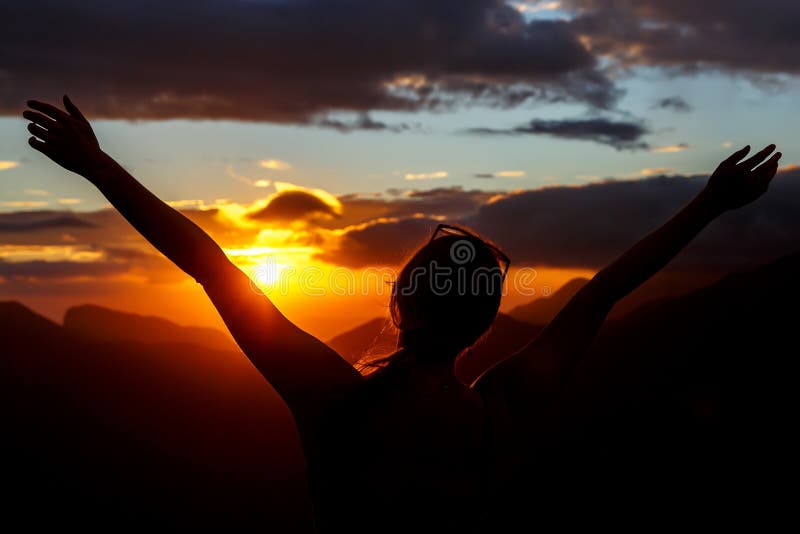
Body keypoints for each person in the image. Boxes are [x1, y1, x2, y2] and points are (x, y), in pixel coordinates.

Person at [23, 96, 782, 532]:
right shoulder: (503, 411)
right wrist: (707, 205)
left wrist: (97, 165)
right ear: (485, 324)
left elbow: (211, 266)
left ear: (399, 302)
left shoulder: (333, 400)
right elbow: (604, 292)